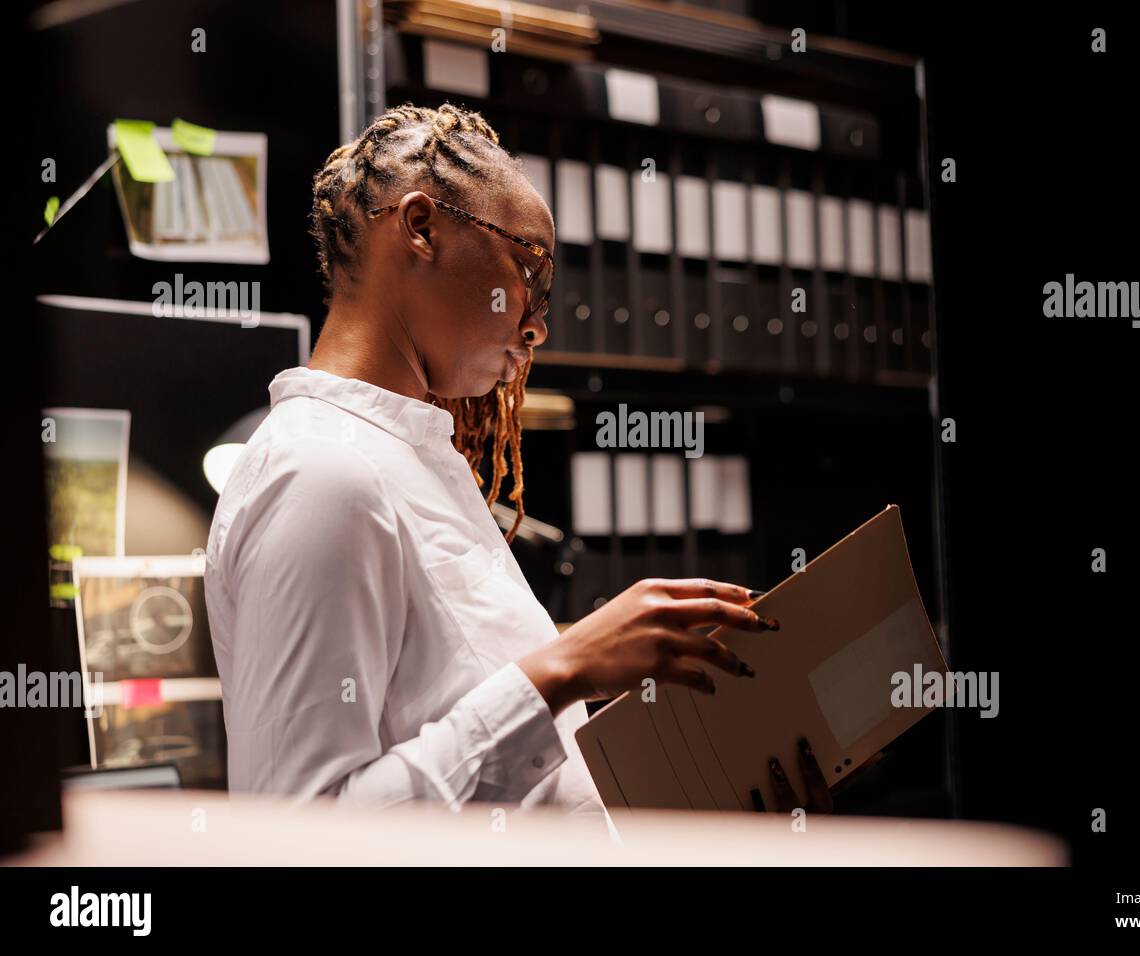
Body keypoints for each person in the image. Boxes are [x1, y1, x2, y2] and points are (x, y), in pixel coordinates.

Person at [203, 103, 783, 825]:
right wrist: (558, 671)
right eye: (528, 268)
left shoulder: (408, 456)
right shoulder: (321, 473)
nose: (537, 320)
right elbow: (299, 833)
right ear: (421, 229)